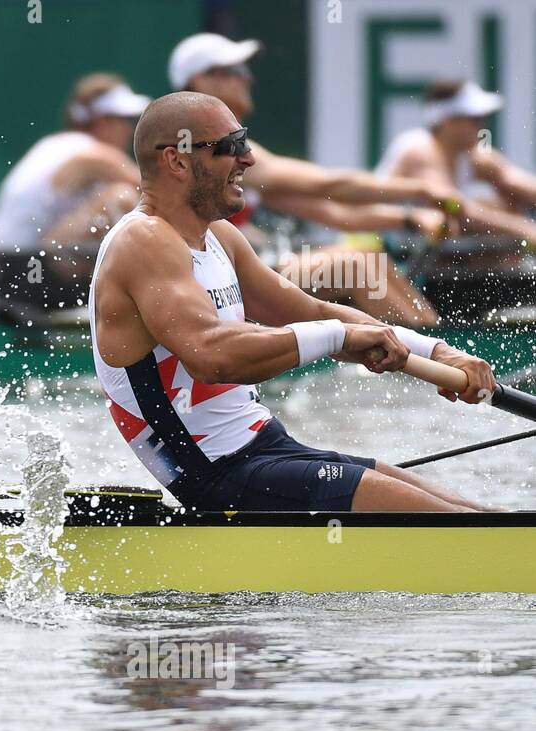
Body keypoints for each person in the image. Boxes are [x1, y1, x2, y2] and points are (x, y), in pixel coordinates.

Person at [90, 91, 497, 513]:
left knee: (484, 516)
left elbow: (314, 312)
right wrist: (342, 336)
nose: (246, 159)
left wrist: (440, 354)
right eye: (231, 147)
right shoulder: (143, 240)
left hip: (267, 449)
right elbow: (212, 355)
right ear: (176, 161)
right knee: (465, 525)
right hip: (218, 478)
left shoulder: (220, 238)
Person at [171, 33, 463, 325]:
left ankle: (438, 347)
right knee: (359, 268)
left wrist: (411, 218)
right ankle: (427, 360)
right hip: (213, 277)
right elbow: (328, 185)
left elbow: (336, 213)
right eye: (234, 71)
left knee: (369, 258)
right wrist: (423, 190)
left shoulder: (233, 148)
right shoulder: (208, 144)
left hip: (243, 267)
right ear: (200, 81)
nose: (247, 79)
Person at [0, 72, 148, 281]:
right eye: (124, 119)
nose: (130, 128)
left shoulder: (54, 145)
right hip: (28, 270)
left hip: (8, 264)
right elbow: (155, 189)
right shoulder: (89, 154)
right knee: (123, 197)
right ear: (100, 122)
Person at [377, 80, 536, 246]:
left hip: (423, 253)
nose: (482, 125)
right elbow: (454, 209)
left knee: (504, 203)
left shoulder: (473, 155)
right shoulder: (419, 150)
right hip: (386, 252)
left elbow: (517, 181)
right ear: (448, 121)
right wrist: (524, 228)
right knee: (467, 217)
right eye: (475, 119)